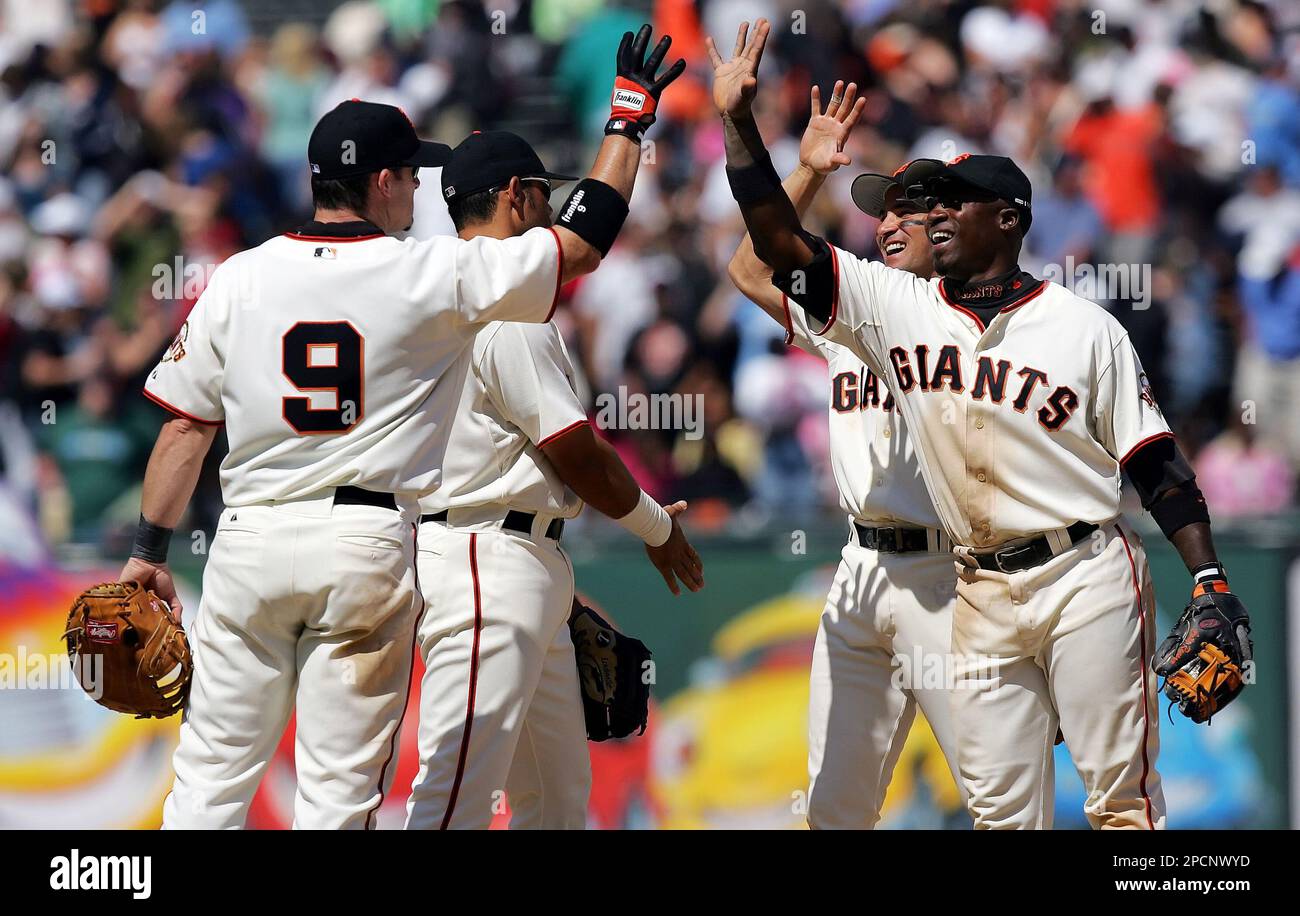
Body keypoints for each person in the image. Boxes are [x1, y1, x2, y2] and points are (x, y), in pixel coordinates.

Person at [119, 22, 682, 830]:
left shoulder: (238, 276)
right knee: (338, 796)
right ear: (382, 181)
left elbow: (183, 431)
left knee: (207, 786)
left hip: (244, 541)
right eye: (411, 176)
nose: (419, 192)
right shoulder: (428, 271)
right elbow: (583, 241)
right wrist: (626, 118)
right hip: (363, 544)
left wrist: (146, 553)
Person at [709, 19, 1251, 829]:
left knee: (1121, 805)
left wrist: (1208, 577)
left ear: (1006, 218)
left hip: (1081, 568)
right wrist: (740, 125)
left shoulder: (1082, 327)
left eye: (950, 201)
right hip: (976, 587)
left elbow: (1155, 461)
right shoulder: (892, 306)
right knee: (1000, 816)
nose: (929, 216)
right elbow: (774, 245)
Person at [404, 130, 701, 831]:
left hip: (512, 555)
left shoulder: (439, 287)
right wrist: (657, 527)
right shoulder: (503, 305)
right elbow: (576, 449)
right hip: (484, 555)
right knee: (455, 796)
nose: (550, 208)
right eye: (543, 193)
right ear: (517, 196)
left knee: (557, 804)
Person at [727, 82, 962, 828]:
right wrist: (809, 172)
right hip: (862, 567)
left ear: (955, 222)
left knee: (999, 800)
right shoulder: (850, 309)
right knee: (834, 805)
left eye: (909, 207)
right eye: (883, 208)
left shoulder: (988, 324)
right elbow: (749, 269)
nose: (889, 221)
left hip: (954, 574)